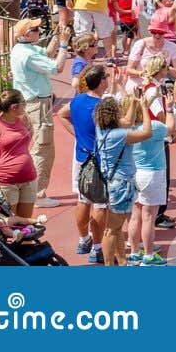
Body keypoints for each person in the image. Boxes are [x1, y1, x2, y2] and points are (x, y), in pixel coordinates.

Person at [7, 16, 70, 206]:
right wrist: (65, 45)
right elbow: (57, 67)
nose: (39, 32)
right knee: (43, 148)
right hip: (37, 104)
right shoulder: (28, 54)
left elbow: (48, 53)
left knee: (31, 146)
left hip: (27, 102)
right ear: (26, 34)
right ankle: (37, 194)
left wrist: (57, 37)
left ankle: (27, 189)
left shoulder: (21, 49)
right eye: (35, 30)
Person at [90, 95, 153, 266]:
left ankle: (122, 262)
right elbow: (147, 132)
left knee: (116, 228)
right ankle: (110, 265)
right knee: (112, 229)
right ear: (114, 114)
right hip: (121, 184)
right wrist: (145, 108)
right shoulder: (120, 135)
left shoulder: (101, 129)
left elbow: (127, 122)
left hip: (112, 182)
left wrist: (133, 104)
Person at [57, 64, 108, 261]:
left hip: (81, 157)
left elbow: (62, 114)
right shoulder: (102, 106)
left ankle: (83, 239)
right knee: (100, 204)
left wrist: (77, 135)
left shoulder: (77, 100)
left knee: (82, 199)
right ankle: (96, 247)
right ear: (101, 81)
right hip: (99, 161)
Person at [122, 92, 174, 265]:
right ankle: (149, 255)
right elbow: (171, 128)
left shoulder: (125, 130)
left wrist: (144, 102)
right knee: (149, 217)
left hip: (133, 173)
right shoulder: (155, 127)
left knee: (135, 215)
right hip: (152, 174)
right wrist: (170, 108)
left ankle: (135, 252)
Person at [0, 90, 39, 219]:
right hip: (6, 181)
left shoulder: (23, 119)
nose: (25, 105)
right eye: (23, 102)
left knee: (26, 226)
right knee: (10, 225)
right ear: (13, 107)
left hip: (29, 178)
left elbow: (28, 135)